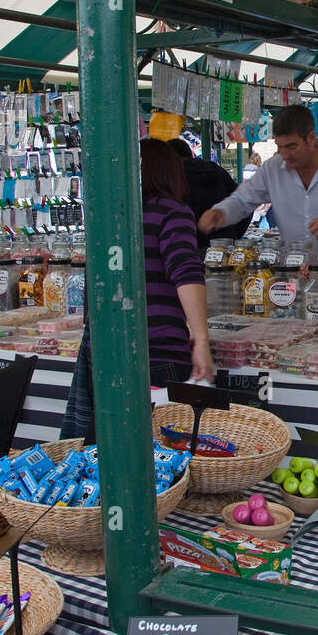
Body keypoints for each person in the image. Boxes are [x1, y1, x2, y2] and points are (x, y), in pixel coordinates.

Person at [60, 139, 214, 440]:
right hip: (158, 353)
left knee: (110, 442)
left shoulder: (106, 218)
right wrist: (201, 339)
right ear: (171, 173)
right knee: (159, 445)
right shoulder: (173, 212)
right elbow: (186, 272)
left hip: (105, 352)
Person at [200, 104, 318, 244]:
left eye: (291, 146)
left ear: (311, 138)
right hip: (290, 274)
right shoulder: (272, 169)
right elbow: (242, 200)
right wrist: (220, 212)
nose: (284, 154)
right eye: (279, 147)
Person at [168, 139, 251, 252]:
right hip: (226, 245)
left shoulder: (173, 177)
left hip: (193, 247)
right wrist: (234, 234)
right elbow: (245, 204)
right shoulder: (216, 170)